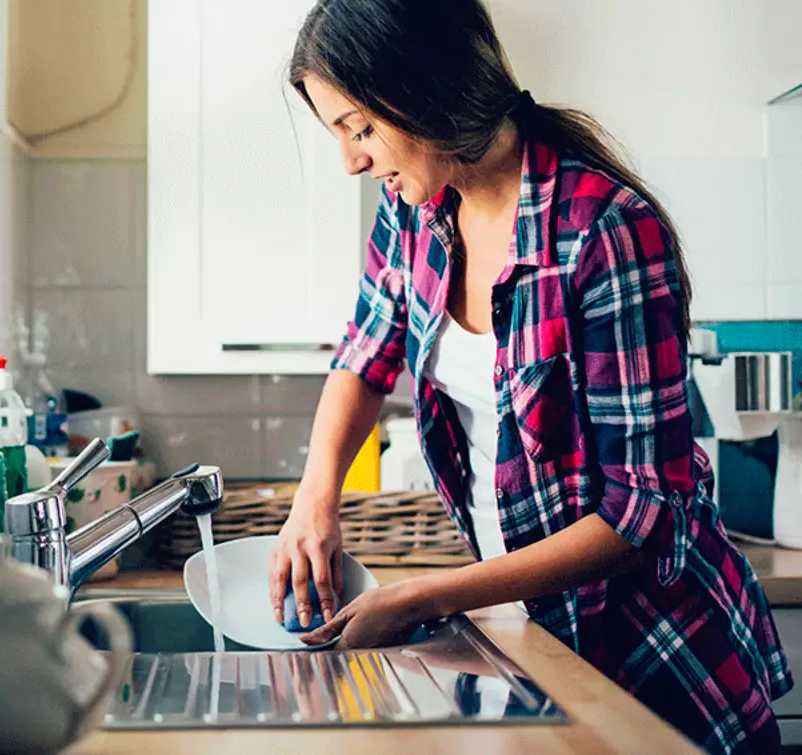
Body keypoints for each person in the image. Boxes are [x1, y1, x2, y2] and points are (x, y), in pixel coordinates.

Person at [267, 1, 792, 751]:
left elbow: (642, 513)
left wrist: (427, 595)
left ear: (427, 90)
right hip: (529, 632)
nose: (352, 159)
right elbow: (365, 354)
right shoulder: (413, 208)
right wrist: (312, 503)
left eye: (360, 128)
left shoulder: (605, 231)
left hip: (658, 655)